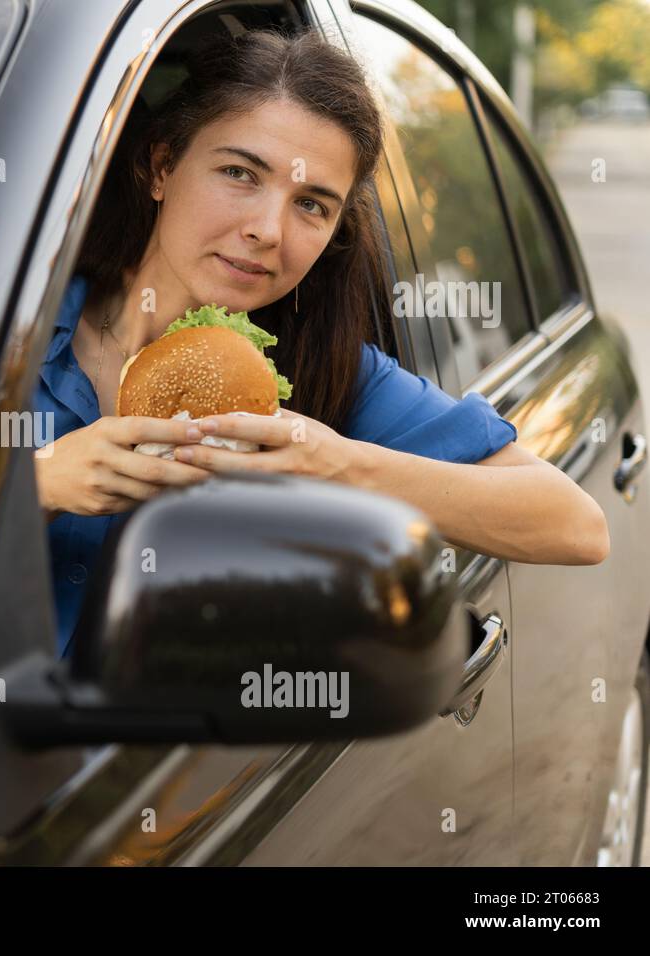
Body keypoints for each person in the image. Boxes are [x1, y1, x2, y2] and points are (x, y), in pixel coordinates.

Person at [32, 28, 609, 660]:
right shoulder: (9, 334)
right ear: (163, 167)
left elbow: (575, 525)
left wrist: (337, 466)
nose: (266, 231)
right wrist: (39, 486)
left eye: (311, 204)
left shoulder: (326, 377)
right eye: (239, 172)